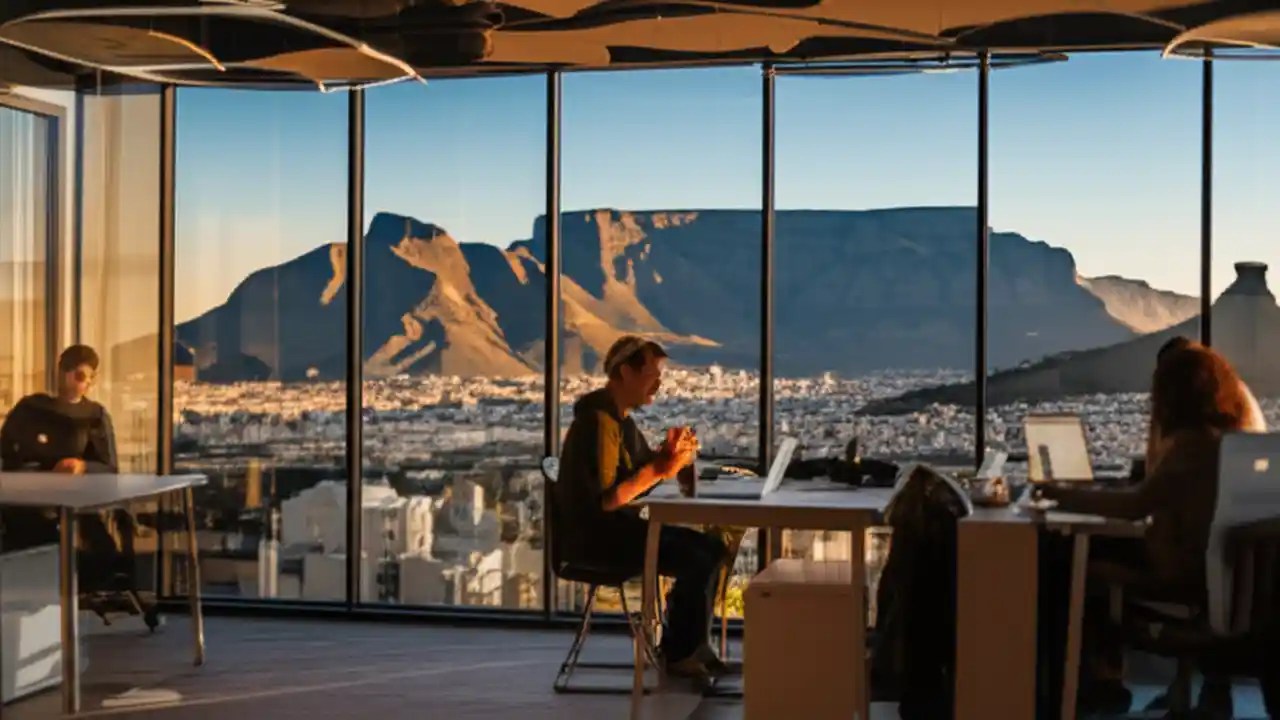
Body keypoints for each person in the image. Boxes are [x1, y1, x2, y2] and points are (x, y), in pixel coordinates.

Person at [1042, 343, 1255, 714]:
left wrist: (1057, 494)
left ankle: (1085, 683)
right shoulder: (1231, 442)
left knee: (1071, 566)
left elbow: (1134, 506)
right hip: (1222, 578)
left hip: (1180, 575)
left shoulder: (1191, 446)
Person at [556, 335, 727, 682]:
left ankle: (691, 644)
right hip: (598, 540)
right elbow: (608, 499)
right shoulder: (599, 424)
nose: (659, 383)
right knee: (699, 556)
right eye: (651, 374)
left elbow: (647, 470)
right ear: (625, 373)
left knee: (711, 548)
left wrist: (674, 460)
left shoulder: (621, 421)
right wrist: (663, 468)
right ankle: (679, 653)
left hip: (616, 530)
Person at [0, 345, 129, 592]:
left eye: (89, 378)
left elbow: (109, 467)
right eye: (80, 376)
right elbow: (6, 451)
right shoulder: (31, 409)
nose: (85, 383)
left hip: (75, 503)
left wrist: (81, 466)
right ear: (62, 373)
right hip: (29, 500)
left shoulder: (94, 415)